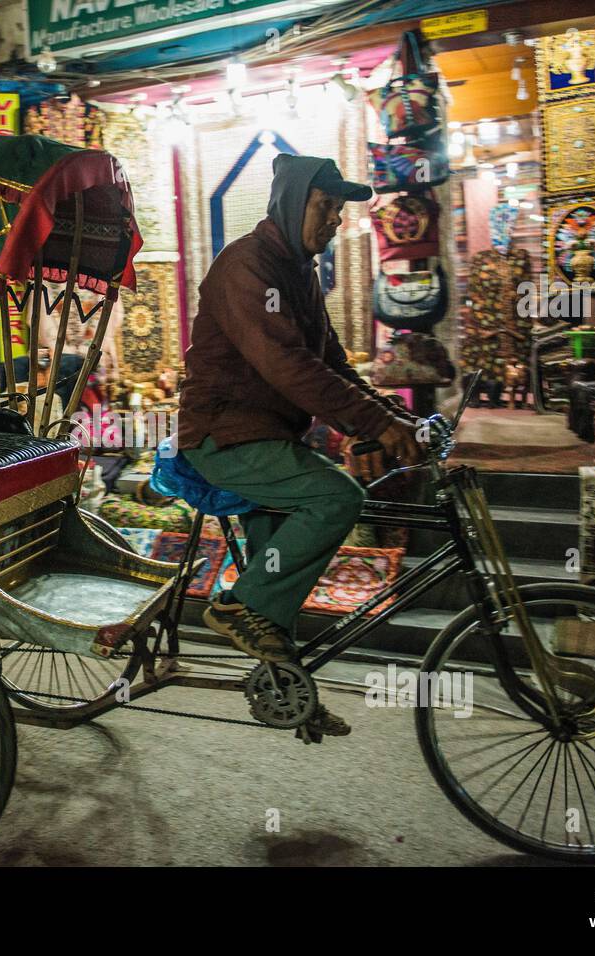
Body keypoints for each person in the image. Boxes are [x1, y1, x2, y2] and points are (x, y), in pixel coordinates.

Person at [178, 154, 425, 685]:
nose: (335, 219)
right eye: (325, 206)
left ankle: (287, 692)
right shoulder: (247, 266)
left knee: (273, 588)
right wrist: (374, 425)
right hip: (226, 437)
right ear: (292, 204)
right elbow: (285, 362)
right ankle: (232, 608)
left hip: (269, 438)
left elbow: (330, 361)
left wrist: (387, 415)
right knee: (338, 497)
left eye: (338, 210)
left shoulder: (299, 274)